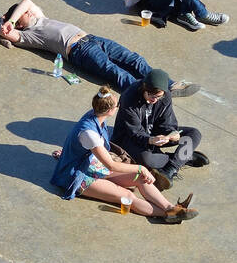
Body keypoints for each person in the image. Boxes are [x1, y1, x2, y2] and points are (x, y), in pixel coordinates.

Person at [50, 88, 196, 223]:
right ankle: (169, 215)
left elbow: (76, 143)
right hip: (77, 175)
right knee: (127, 197)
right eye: (117, 105)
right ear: (110, 110)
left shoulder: (95, 114)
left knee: (140, 178)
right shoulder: (90, 133)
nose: (119, 107)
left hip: (91, 164)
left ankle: (171, 207)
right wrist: (141, 168)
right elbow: (110, 165)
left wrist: (68, 153)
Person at [0, 0, 157, 92]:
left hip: (94, 38)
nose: (26, 12)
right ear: (19, 26)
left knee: (134, 59)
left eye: (23, 12)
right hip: (79, 51)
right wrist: (7, 23)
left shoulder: (40, 17)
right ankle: (146, 92)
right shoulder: (27, 35)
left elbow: (27, 1)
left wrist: (12, 19)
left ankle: (166, 85)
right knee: (115, 72)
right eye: (22, 15)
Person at [111, 69, 208, 190]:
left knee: (194, 133)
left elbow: (168, 123)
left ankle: (171, 169)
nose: (155, 100)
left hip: (155, 133)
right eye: (151, 96)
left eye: (158, 96)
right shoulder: (128, 99)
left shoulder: (164, 96)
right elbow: (134, 133)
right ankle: (182, 157)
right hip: (129, 139)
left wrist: (172, 133)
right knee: (147, 159)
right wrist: (150, 140)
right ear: (144, 88)